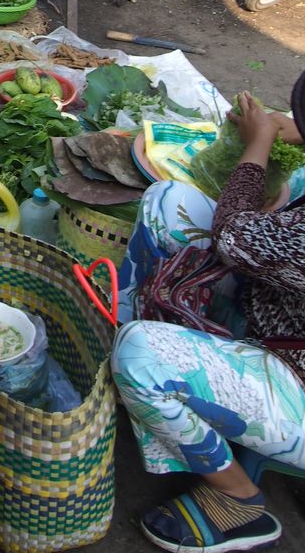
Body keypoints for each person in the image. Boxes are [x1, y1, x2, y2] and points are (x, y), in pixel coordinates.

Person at [112, 78, 305, 553]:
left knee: (140, 356)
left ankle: (238, 496)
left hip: (295, 377)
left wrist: (259, 144)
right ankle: (141, 363)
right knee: (169, 201)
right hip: (274, 316)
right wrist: (288, 133)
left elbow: (238, 240)